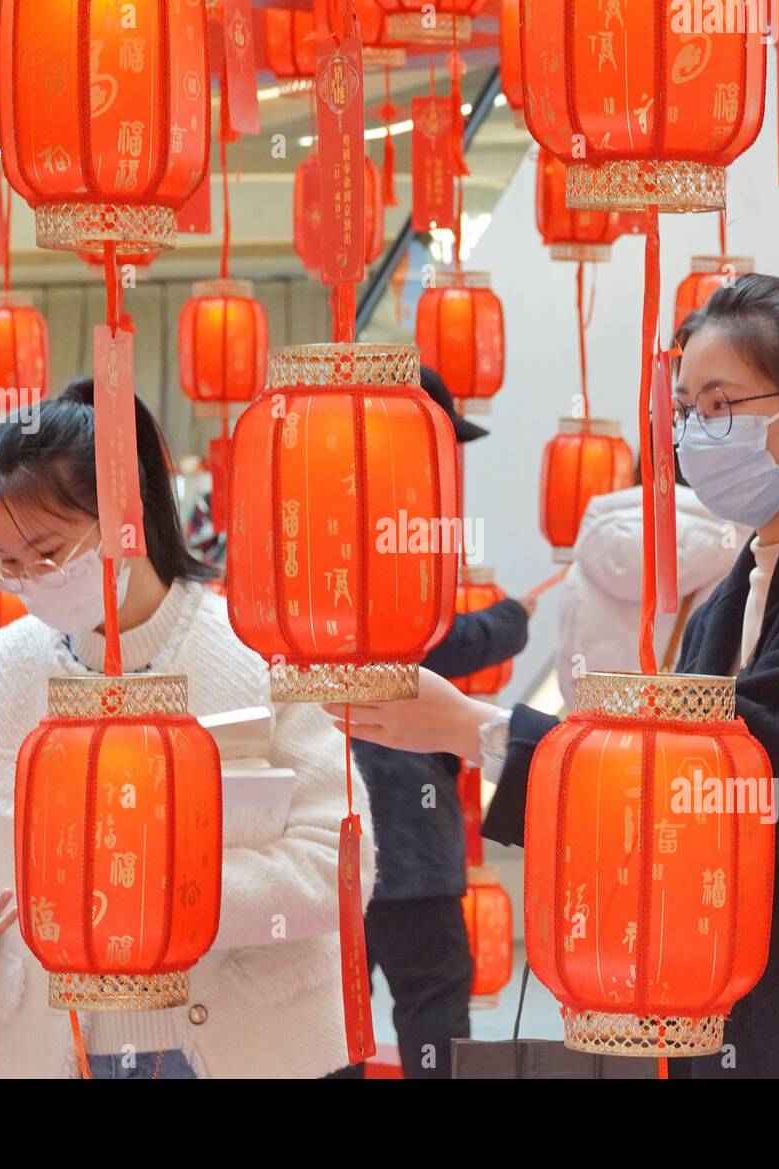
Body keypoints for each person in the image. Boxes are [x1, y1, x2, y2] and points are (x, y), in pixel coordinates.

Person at [325, 274, 779, 1078]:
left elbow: (733, 789)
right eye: (684, 408)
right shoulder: (735, 592)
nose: (692, 432)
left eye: (720, 404)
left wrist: (478, 729)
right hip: (756, 1023)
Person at [0, 377, 374, 1079]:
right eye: (10, 562)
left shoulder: (260, 657)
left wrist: (165, 893)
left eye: (49, 552)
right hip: (53, 1049)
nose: (31, 578)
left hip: (251, 1042)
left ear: (124, 516)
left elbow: (338, 864)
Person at [333, 367, 533, 1079]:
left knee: (331, 1019)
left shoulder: (325, 519)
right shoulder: (393, 532)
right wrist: (516, 617)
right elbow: (438, 642)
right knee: (433, 1013)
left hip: (328, 829)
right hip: (405, 823)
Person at [557, 475, 745, 702]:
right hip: (683, 728)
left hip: (599, 732)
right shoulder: (734, 556)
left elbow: (570, 678)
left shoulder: (588, 557)